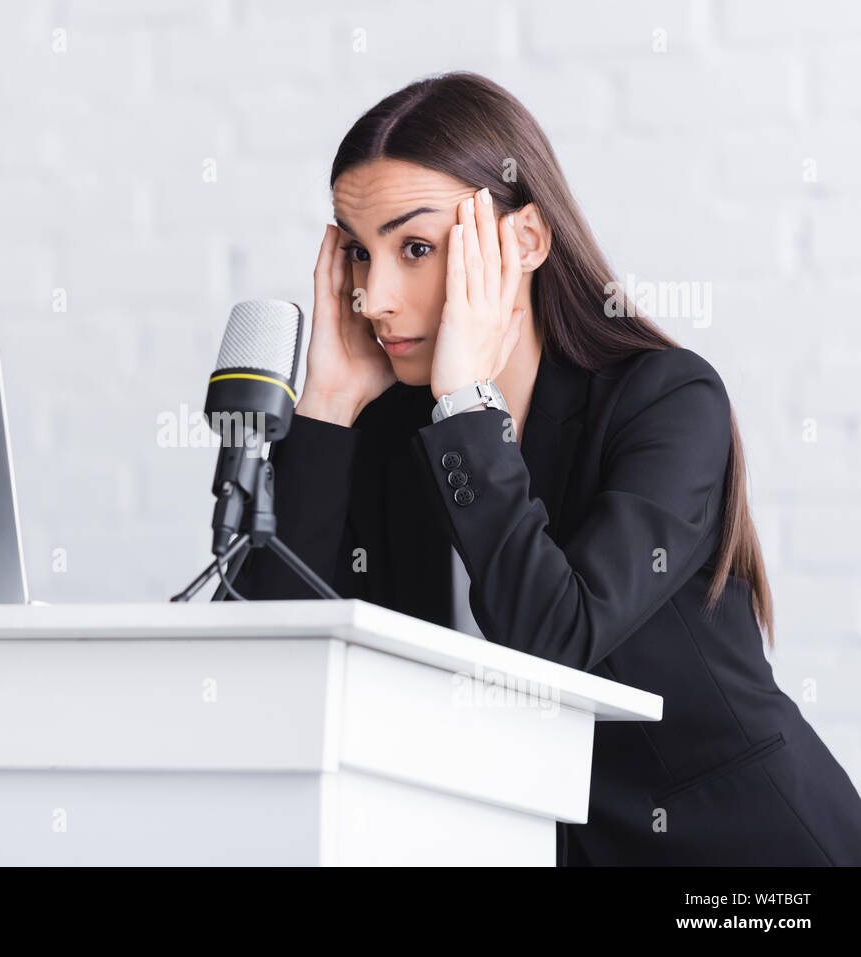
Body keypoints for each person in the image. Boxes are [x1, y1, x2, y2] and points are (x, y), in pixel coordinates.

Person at [225, 71, 861, 866]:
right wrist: (324, 406)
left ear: (523, 241)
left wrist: (466, 403)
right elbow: (257, 661)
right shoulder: (391, 434)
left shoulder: (666, 400)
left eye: (415, 248)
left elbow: (555, 645)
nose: (372, 296)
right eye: (358, 252)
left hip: (740, 857)